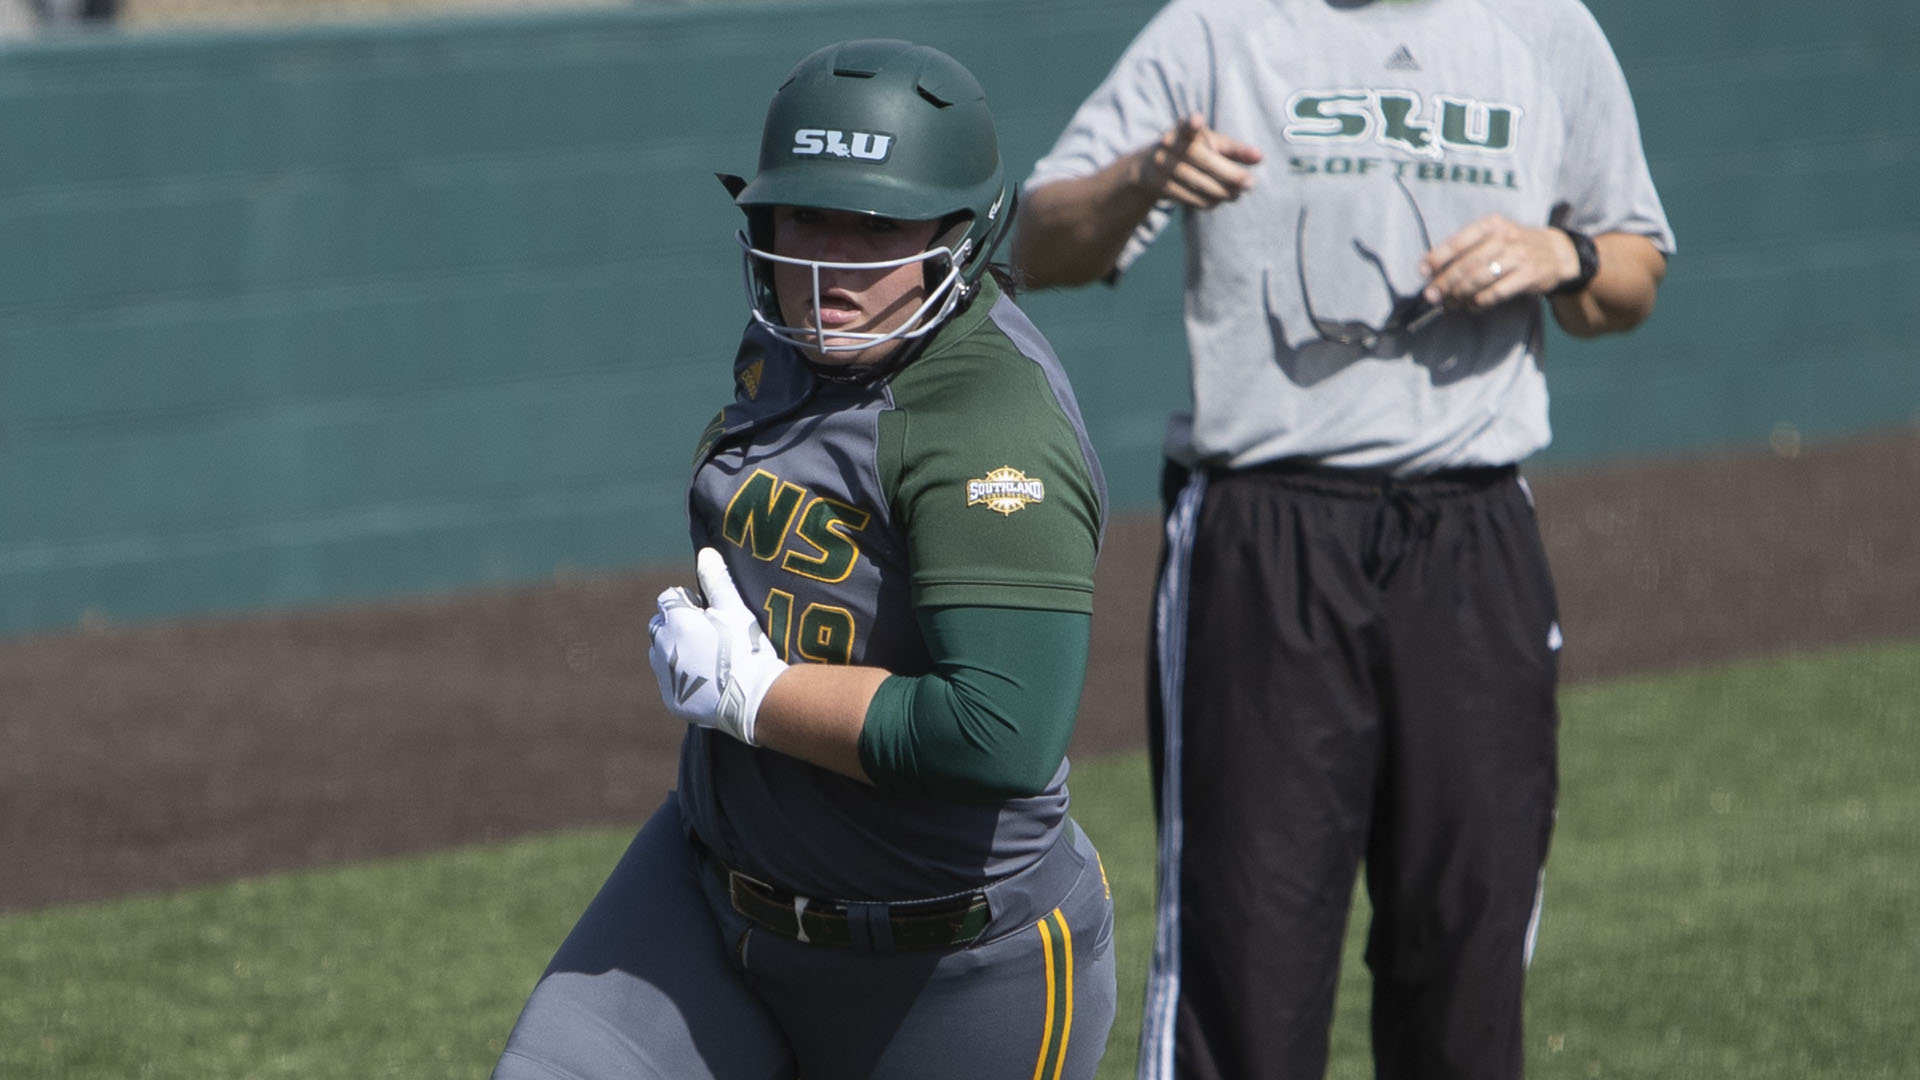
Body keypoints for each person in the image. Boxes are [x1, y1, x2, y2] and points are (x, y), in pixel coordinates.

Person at [1012, 1, 1674, 1078]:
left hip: (1472, 538)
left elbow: (1633, 276)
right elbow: (1042, 242)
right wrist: (1143, 175)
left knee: (1467, 950)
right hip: (1265, 539)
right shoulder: (1219, 29)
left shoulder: (1546, 28)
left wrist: (1562, 249)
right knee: (1246, 964)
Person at [491, 38, 1117, 1080]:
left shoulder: (986, 419)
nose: (830, 259)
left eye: (875, 226)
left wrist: (756, 695)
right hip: (714, 891)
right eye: (804, 215)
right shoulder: (783, 339)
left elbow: (1000, 731)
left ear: (962, 234)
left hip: (954, 959)